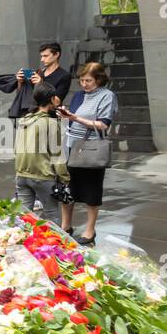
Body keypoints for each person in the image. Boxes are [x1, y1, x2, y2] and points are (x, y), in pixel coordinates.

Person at [57, 61, 117, 246]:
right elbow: (74, 117)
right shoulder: (78, 95)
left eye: (88, 80)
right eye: (82, 80)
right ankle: (65, 225)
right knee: (67, 189)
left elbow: (103, 124)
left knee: (91, 191)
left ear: (99, 79)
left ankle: (90, 230)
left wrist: (76, 118)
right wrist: (67, 115)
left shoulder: (107, 96)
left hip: (91, 149)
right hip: (71, 146)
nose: (84, 84)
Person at [14, 83, 68, 221]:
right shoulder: (50, 123)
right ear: (51, 99)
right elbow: (57, 156)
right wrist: (65, 178)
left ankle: (22, 240)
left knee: (22, 218)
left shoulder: (24, 120)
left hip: (21, 175)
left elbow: (16, 149)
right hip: (42, 176)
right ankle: (55, 243)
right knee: (52, 217)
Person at [0, 42, 72, 118]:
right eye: (41, 56)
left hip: (48, 117)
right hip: (29, 115)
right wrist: (20, 81)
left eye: (46, 56)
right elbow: (21, 94)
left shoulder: (64, 76)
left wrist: (40, 84)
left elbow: (56, 102)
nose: (42, 59)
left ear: (57, 54)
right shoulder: (38, 72)